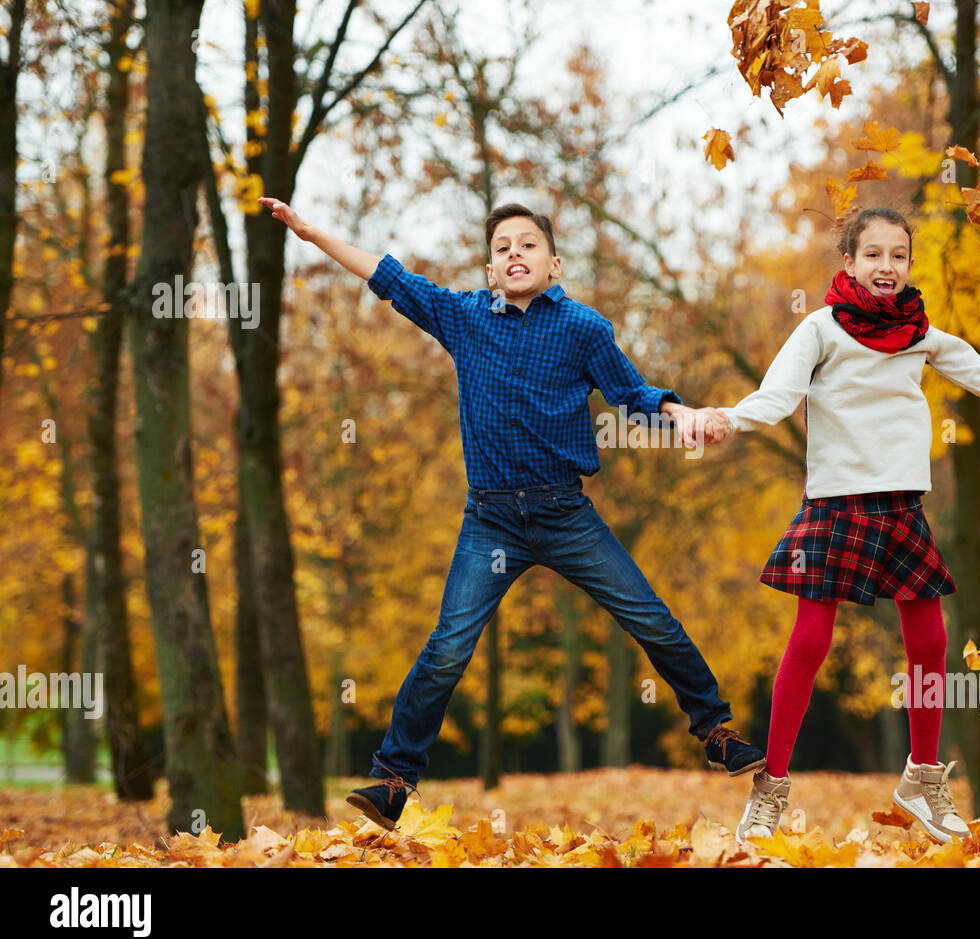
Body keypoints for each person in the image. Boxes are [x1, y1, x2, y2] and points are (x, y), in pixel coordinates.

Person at [257, 196, 764, 830]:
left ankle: (715, 730)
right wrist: (310, 232)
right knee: (447, 648)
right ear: (491, 269)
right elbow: (386, 275)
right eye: (502, 248)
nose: (515, 254)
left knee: (652, 618)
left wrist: (683, 416)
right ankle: (392, 780)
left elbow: (634, 396)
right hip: (491, 521)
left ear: (554, 263)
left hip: (565, 514)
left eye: (528, 244)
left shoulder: (584, 328)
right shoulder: (462, 316)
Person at [708, 206, 980, 844]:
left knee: (931, 644)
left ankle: (922, 778)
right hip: (835, 509)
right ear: (849, 263)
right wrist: (724, 418)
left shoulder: (925, 339)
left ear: (910, 265)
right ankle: (770, 790)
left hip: (900, 509)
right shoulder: (820, 330)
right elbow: (775, 399)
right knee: (810, 643)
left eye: (898, 256)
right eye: (873, 255)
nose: (887, 267)